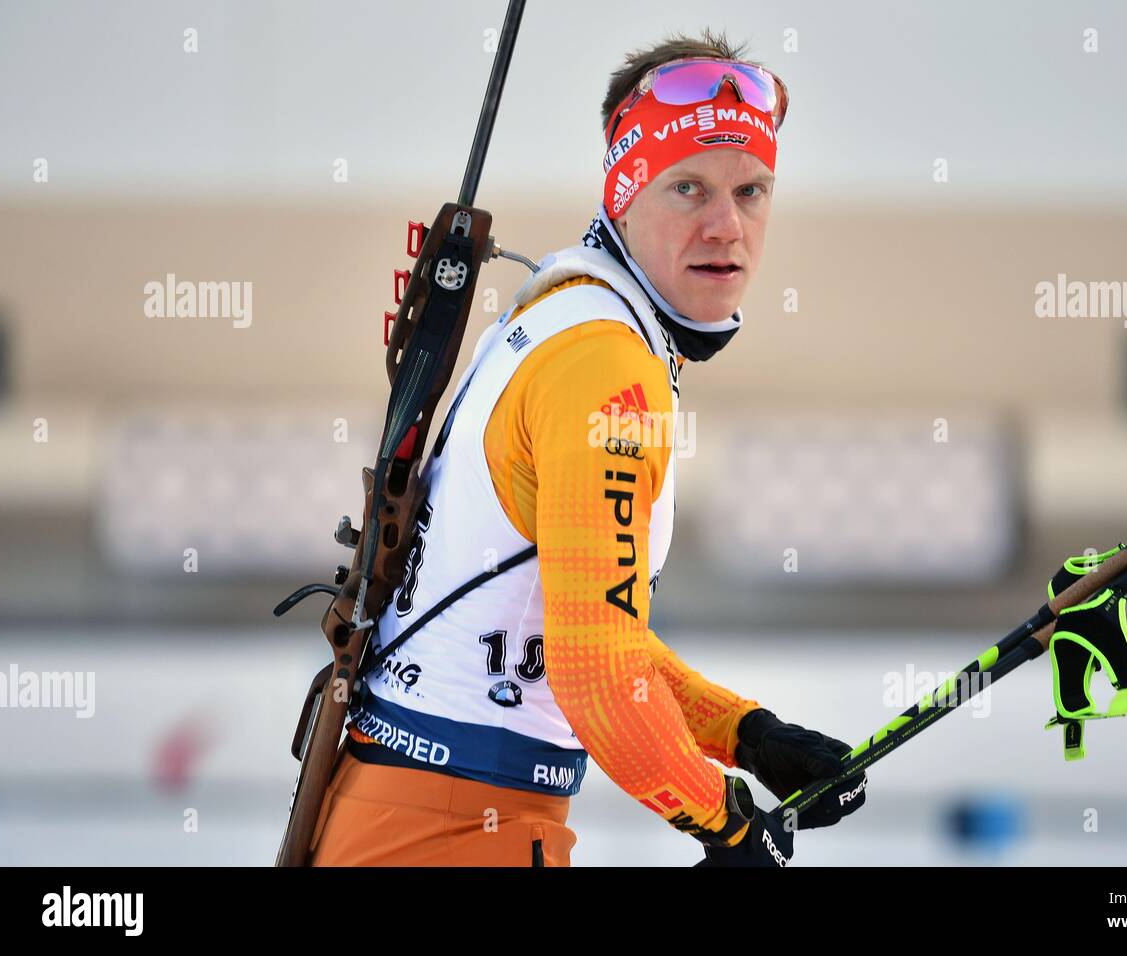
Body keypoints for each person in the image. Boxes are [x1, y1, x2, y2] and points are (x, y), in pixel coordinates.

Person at [308, 29, 867, 868]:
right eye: (689, 188)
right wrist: (725, 820)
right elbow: (597, 678)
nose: (727, 227)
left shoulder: (566, 316)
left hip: (418, 809)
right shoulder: (608, 369)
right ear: (625, 192)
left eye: (751, 191)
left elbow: (585, 622)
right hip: (455, 830)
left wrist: (746, 736)